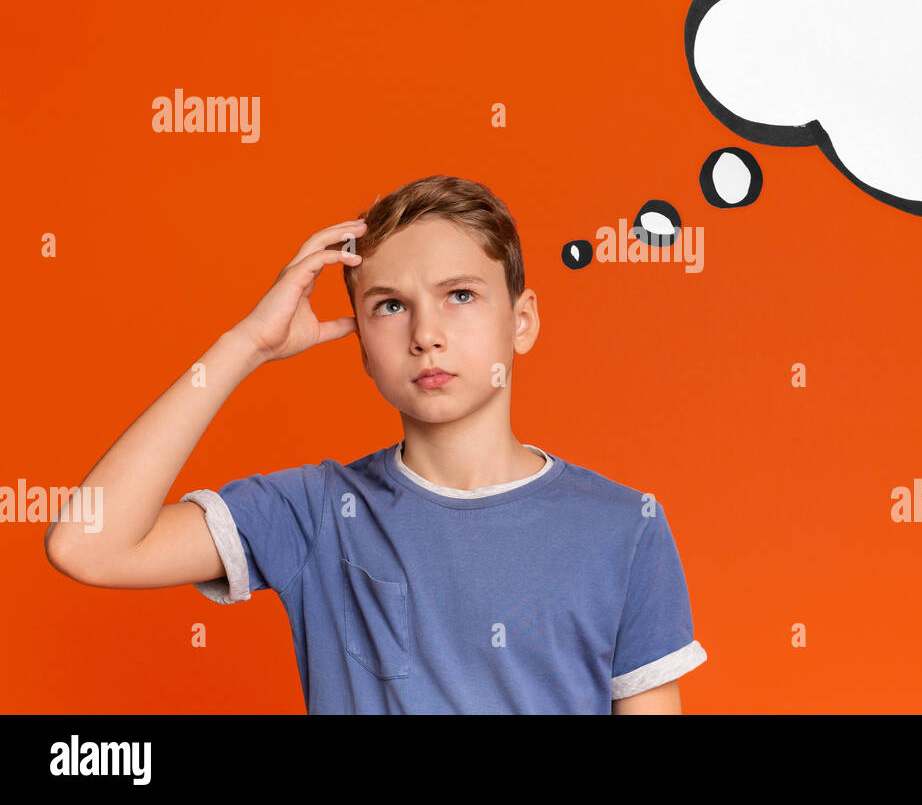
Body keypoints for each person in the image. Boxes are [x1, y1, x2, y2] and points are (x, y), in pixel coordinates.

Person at [44, 174, 706, 713]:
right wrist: (245, 345)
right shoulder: (314, 510)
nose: (425, 333)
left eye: (460, 295)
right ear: (361, 343)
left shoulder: (625, 526)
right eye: (390, 305)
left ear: (522, 320)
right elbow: (88, 544)